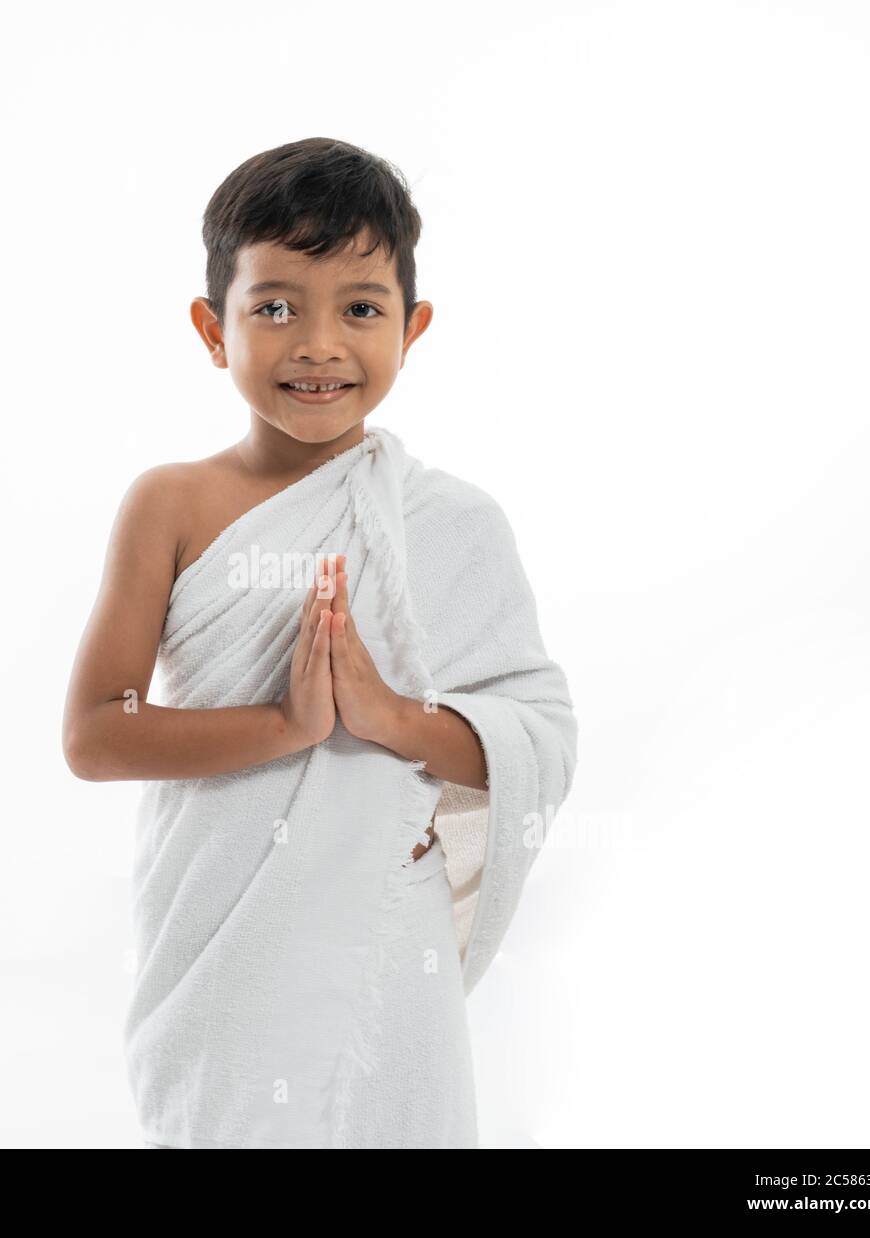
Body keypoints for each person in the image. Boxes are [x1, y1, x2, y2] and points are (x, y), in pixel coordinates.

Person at [62, 137, 577, 1149]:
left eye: (359, 307)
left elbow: (537, 737)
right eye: (275, 305)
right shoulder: (172, 503)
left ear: (411, 327)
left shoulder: (451, 522)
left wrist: (388, 717)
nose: (317, 343)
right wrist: (283, 723)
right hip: (223, 928)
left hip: (384, 929)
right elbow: (94, 731)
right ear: (213, 328)